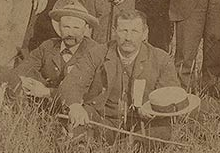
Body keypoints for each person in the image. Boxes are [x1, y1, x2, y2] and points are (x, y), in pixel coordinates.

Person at [61, 9, 183, 143]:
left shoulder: (161, 59)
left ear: (144, 34)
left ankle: (119, 150)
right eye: (123, 31)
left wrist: (152, 111)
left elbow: (171, 95)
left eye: (134, 31)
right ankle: (93, 147)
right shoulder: (98, 53)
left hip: (141, 125)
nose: (128, 38)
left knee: (162, 131)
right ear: (114, 31)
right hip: (103, 119)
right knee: (79, 120)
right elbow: (72, 82)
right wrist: (75, 106)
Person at [15, 0, 104, 102]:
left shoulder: (94, 52)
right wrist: (25, 81)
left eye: (76, 28)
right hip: (44, 109)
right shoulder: (48, 46)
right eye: (66, 27)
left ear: (85, 29)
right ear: (59, 27)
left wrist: (47, 92)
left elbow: (89, 92)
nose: (70, 33)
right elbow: (23, 69)